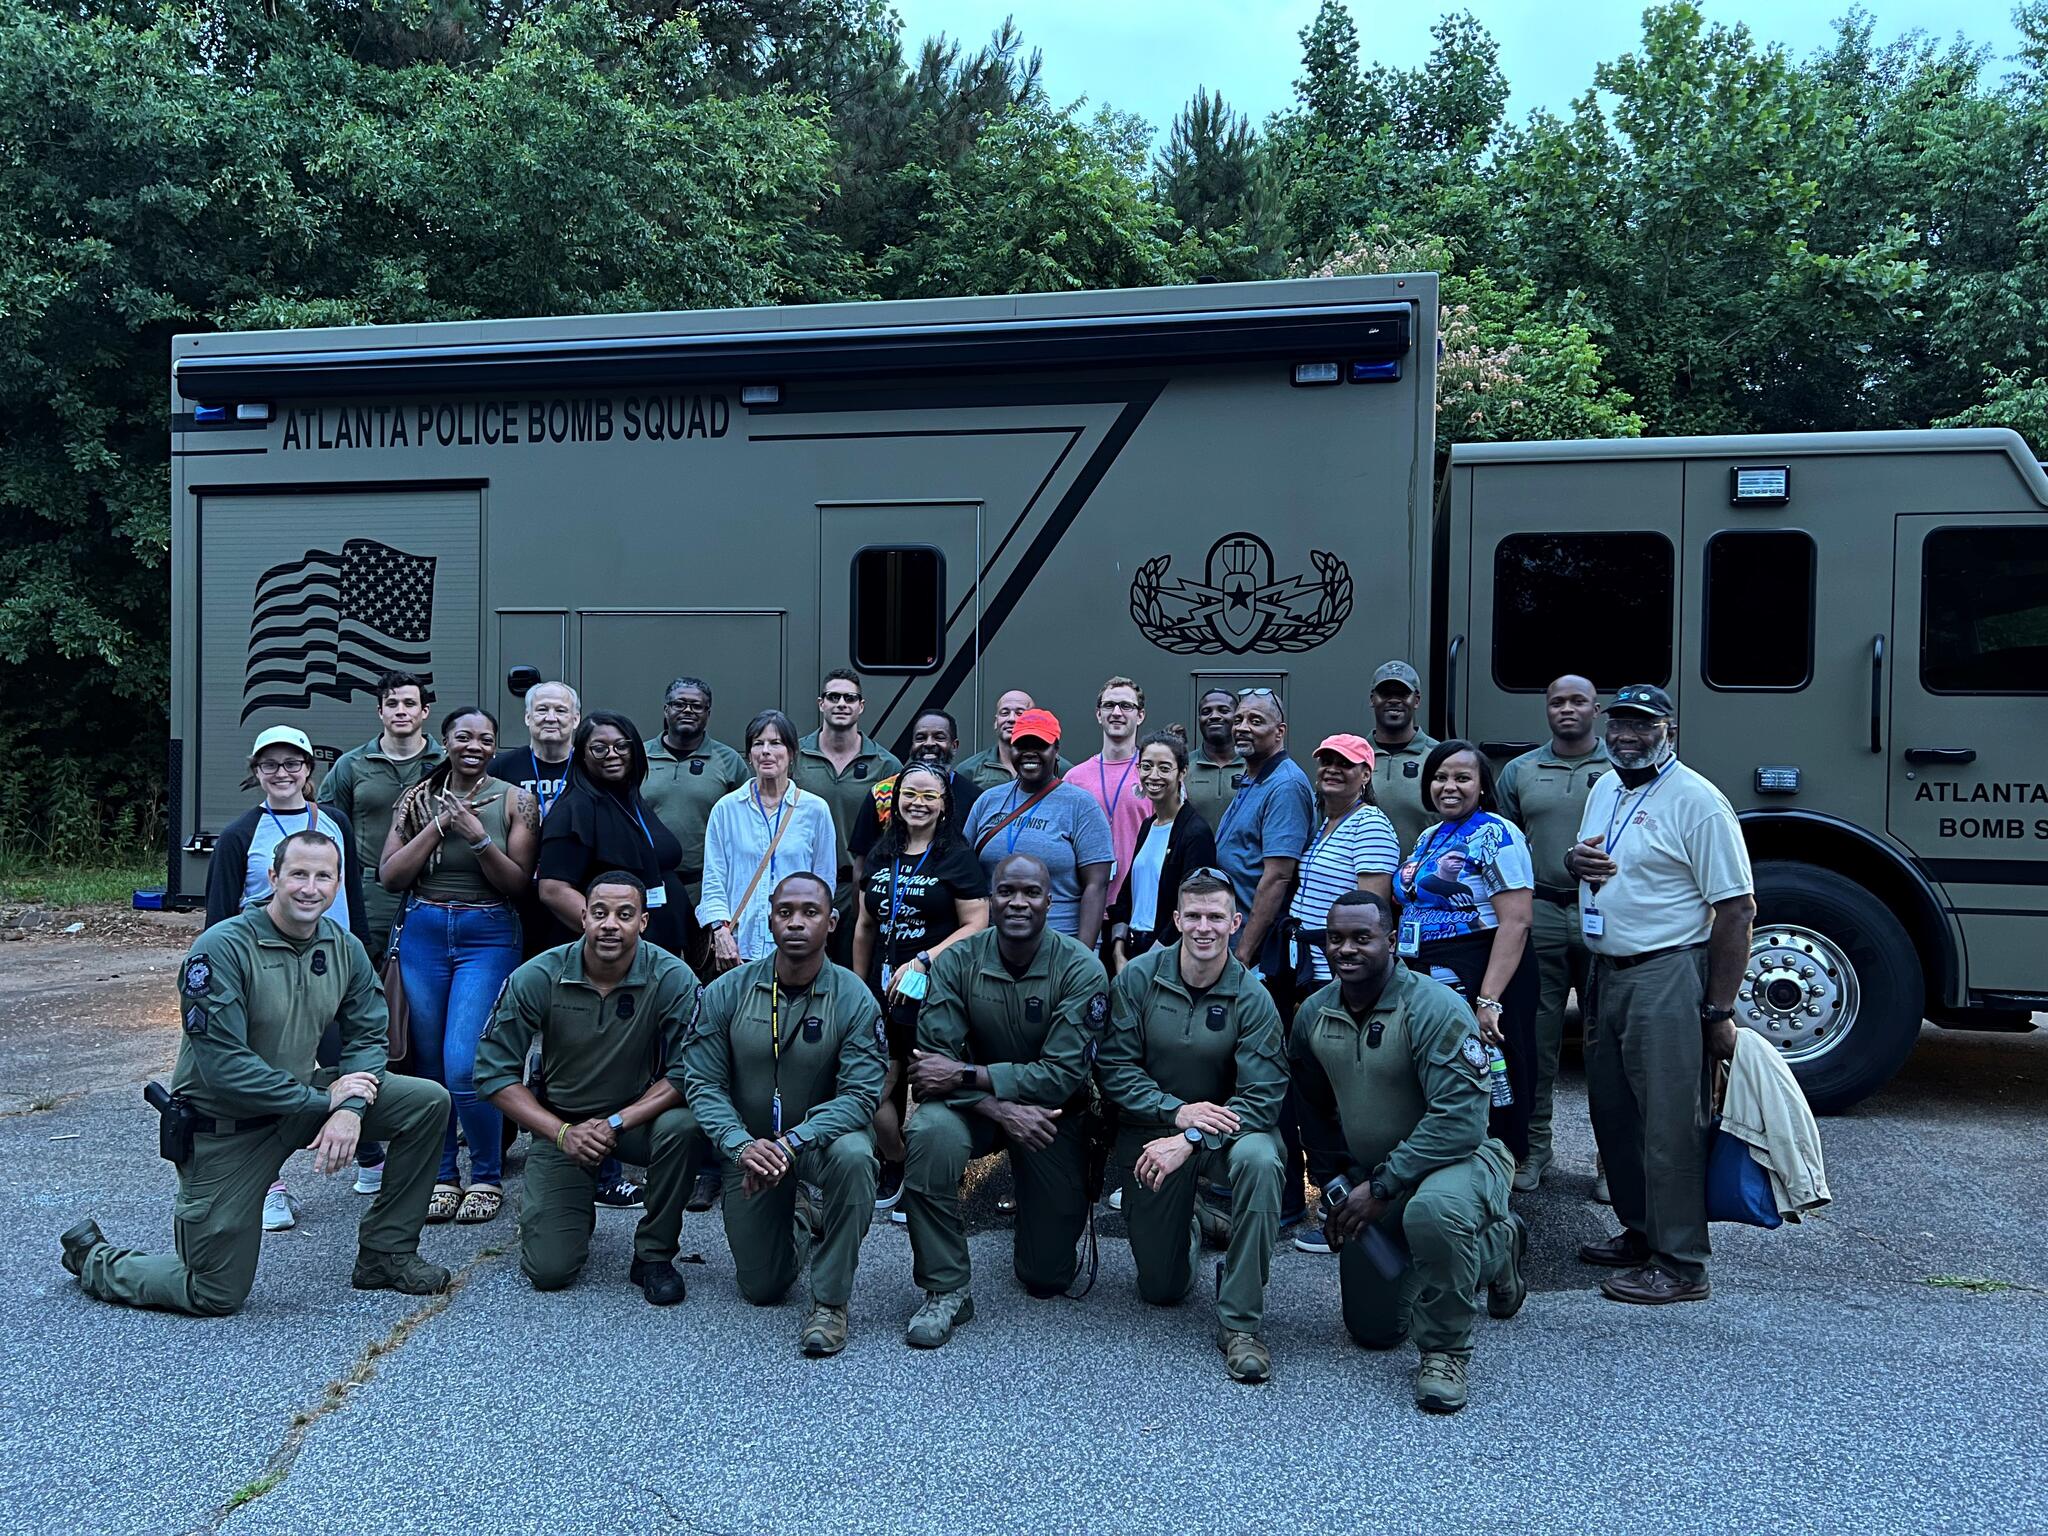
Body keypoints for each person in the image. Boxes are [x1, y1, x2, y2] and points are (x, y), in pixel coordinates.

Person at [59, 831, 453, 1314]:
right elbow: (224, 1066)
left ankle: (386, 1255)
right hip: (227, 1125)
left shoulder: (342, 946)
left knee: (425, 1102)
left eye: (323, 876)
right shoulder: (221, 949)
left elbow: (369, 1036)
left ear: (337, 885)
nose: (310, 888)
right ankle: (95, 1259)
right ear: (273, 878)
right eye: (298, 874)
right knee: (212, 1292)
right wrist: (324, 1102)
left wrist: (349, 1108)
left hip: (299, 1102)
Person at [1291, 891, 1527, 1415]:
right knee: (1373, 1331)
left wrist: (1381, 1187)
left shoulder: (1434, 1008)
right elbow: (1313, 1112)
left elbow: (1460, 1122)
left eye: (1362, 937)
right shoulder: (1313, 1015)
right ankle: (1478, 1254)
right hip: (1379, 1175)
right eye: (1335, 938)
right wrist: (1334, 1188)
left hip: (1461, 1161)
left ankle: (1446, 1351)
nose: (1346, 949)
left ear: (1392, 942)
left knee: (1434, 1213)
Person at [1563, 684, 1755, 1307]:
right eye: (1619, 722)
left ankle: (1681, 1262)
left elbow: (1736, 909)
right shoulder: (1606, 786)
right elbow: (1600, 858)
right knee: (1615, 1114)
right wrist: (1575, 863)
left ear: (1668, 728)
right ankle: (1641, 1231)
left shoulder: (1698, 801)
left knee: (1670, 1121)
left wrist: (1718, 1010)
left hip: (1667, 972)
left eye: (1642, 725)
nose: (1627, 734)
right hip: (1607, 971)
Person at [899, 853, 1109, 1346]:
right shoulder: (956, 962)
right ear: (990, 899)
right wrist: (1000, 1109)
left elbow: (1059, 1077)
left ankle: (1043, 1223)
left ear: (1049, 901)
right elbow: (930, 1071)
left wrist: (967, 1074)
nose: (1018, 902)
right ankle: (945, 1289)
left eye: (1031, 893)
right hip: (974, 1111)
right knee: (928, 1133)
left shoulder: (1081, 969)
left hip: (1051, 1119)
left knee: (1046, 1277)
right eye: (1007, 891)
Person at [680, 872, 886, 1357]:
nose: (796, 922)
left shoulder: (855, 998)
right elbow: (702, 1083)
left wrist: (792, 1143)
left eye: (810, 912)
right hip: (750, 1151)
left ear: (832, 922)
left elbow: (860, 1097)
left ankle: (830, 1302)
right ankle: (799, 1213)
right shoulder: (725, 991)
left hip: (816, 1146)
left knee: (857, 1155)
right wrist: (740, 1145)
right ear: (768, 919)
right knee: (762, 1288)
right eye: (785, 912)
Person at [476, 871, 706, 1305]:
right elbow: (493, 1074)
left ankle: (654, 1255)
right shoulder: (538, 976)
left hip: (636, 1119)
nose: (610, 925)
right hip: (561, 1123)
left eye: (624, 914)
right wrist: (562, 1133)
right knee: (548, 1271)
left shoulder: (672, 977)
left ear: (643, 922)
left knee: (684, 1125)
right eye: (599, 913)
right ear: (582, 917)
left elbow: (687, 1070)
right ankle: (570, 1204)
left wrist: (617, 1121)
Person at [1098, 871, 1286, 1385]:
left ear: (1235, 922)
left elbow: (1263, 1095)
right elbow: (1114, 1068)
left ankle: (1240, 1322)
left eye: (1216, 917)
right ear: (1178, 920)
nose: (1205, 928)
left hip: (1230, 1133)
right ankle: (1194, 1220)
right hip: (1155, 1129)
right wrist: (1175, 1112)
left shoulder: (1252, 997)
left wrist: (1194, 1135)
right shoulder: (1138, 978)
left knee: (1263, 1161)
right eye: (1195, 917)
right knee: (1161, 1289)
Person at [205, 725, 378, 1224]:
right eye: (270, 765)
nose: (282, 773)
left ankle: (367, 1156)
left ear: (308, 771)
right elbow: (221, 915)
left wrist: (364, 953)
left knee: (346, 1054)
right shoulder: (241, 833)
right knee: (273, 1066)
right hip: (268, 967)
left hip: (333, 962)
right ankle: (270, 1182)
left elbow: (354, 895)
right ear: (256, 772)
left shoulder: (335, 822)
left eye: (292, 764)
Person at [489, 681, 644, 1211]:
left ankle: (590, 1155)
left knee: (596, 1051)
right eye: (541, 709)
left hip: (615, 941)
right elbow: (550, 883)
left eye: (561, 709)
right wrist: (604, 927)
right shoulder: (546, 789)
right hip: (569, 937)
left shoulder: (619, 792)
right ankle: (543, 1147)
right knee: (563, 1050)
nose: (610, 754)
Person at [380, 707, 538, 1225]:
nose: (474, 745)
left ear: (495, 747)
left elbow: (517, 884)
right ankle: (444, 1173)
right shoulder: (416, 799)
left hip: (487, 932)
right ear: (444, 741)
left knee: (464, 1064)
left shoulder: (517, 800)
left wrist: (476, 834)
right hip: (425, 930)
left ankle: (487, 1173)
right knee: (428, 1067)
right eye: (463, 736)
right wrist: (438, 827)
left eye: (486, 739)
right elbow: (391, 876)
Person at [850, 762, 989, 1212]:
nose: (918, 803)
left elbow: (977, 922)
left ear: (944, 804)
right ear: (896, 799)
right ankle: (897, 1161)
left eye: (929, 796)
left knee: (931, 1083)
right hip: (882, 990)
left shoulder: (956, 855)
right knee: (876, 1087)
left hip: (936, 992)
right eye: (910, 793)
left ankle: (935, 1174)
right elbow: (865, 925)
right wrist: (857, 987)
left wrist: (927, 958)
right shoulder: (880, 853)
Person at [1392, 739, 1538, 1164]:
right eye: (1439, 777)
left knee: (1486, 1073)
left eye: (1461, 777)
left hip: (1477, 969)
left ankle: (1492, 1171)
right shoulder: (1429, 835)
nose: (1448, 786)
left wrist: (1488, 1000)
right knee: (1439, 1072)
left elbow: (1516, 921)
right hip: (1424, 970)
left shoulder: (1495, 832)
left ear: (1482, 785)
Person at [1495, 674, 1611, 1191]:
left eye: (1578, 701)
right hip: (1540, 909)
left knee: (1606, 1043)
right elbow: (1500, 841)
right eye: (1557, 701)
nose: (1567, 709)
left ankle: (1611, 1162)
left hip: (1603, 912)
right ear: (1546, 708)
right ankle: (1534, 1151)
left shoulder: (1618, 768)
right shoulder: (1520, 771)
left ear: (1596, 708)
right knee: (1536, 1043)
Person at [1213, 688, 1315, 1224]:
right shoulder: (1252, 779)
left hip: (1261, 956)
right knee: (1243, 1072)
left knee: (1268, 1075)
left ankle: (1289, 1199)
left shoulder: (1286, 784)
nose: (1242, 726)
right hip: (1237, 947)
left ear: (1281, 730)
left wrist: (1243, 955)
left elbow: (1276, 876)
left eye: (1257, 719)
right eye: (1238, 718)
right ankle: (1248, 1181)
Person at [537, 712, 693, 957]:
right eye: (599, 748)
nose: (612, 754)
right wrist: (613, 936)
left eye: (622, 746)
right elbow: (553, 890)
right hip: (613, 957)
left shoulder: (629, 799)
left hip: (658, 949)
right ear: (582, 755)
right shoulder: (575, 809)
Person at [959, 710, 1113, 949]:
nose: (1029, 752)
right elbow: (963, 871)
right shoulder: (988, 801)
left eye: (1040, 745)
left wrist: (1083, 954)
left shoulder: (1081, 805)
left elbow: (1097, 884)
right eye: (1021, 745)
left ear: (1056, 750)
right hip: (992, 945)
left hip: (1059, 944)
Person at [320, 670, 444, 964]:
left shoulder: (445, 764)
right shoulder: (351, 765)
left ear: (424, 711)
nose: (400, 711)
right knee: (367, 973)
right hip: (369, 894)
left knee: (422, 978)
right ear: (380, 712)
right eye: (392, 704)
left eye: (409, 704)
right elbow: (327, 829)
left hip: (434, 890)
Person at [700, 709, 838, 970]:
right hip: (739, 944)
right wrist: (720, 932)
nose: (766, 751)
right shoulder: (726, 808)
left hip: (796, 943)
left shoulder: (815, 810)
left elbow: (824, 882)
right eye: (757, 743)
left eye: (776, 743)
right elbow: (713, 879)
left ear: (792, 752)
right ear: (749, 755)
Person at [792, 669, 901, 965]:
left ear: (861, 706)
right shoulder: (796, 756)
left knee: (855, 971)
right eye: (833, 697)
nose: (841, 703)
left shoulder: (885, 764)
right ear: (820, 703)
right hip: (803, 883)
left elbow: (895, 833)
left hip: (859, 886)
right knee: (802, 968)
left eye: (849, 698)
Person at [640, 675, 749, 943]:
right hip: (652, 884)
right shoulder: (639, 757)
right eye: (679, 704)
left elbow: (746, 820)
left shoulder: (728, 761)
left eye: (697, 706)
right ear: (666, 710)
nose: (687, 710)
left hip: (707, 887)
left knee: (707, 966)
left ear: (707, 713)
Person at [1286, 733, 1400, 988]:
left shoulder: (1370, 824)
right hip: (1308, 963)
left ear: (1366, 775)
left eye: (1345, 764)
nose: (1332, 770)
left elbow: (1371, 911)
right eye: (1326, 762)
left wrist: (1345, 977)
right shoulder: (1328, 821)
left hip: (1336, 971)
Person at [486, 678, 581, 961]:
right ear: (528, 717)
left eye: (561, 710)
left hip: (569, 895)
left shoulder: (589, 769)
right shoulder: (500, 767)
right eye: (542, 710)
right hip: (512, 900)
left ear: (575, 719)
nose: (551, 718)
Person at [1106, 730, 1217, 969]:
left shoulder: (1195, 833)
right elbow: (1126, 896)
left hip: (1167, 958)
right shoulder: (1148, 825)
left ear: (1183, 772)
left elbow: (1192, 906)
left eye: (1164, 768)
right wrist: (1118, 951)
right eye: (1146, 766)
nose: (1153, 775)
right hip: (1131, 951)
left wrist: (1154, 958)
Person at [846, 709, 983, 865]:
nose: (929, 743)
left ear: (954, 745)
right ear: (911, 745)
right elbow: (862, 861)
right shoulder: (881, 793)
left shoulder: (975, 798)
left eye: (939, 737)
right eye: (920, 737)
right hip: (891, 885)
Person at [1070, 676, 1152, 912]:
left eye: (1126, 706)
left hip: (1140, 906)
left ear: (1140, 715)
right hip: (1085, 906)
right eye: (1109, 705)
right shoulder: (1075, 778)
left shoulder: (1156, 775)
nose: (1117, 712)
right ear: (1098, 715)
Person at [1367, 661, 1439, 856]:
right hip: (1362, 880)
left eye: (1402, 694)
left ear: (1416, 700)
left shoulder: (1440, 757)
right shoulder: (1355, 757)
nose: (1394, 700)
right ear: (1372, 699)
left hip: (1422, 881)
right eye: (1386, 693)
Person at [957, 689, 1072, 792]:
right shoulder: (969, 769)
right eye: (1005, 713)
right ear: (996, 721)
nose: (1011, 719)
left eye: (1019, 713)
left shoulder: (1064, 770)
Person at [1185, 687, 1247, 839]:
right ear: (1199, 719)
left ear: (1237, 718)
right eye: (1206, 712)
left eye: (1223, 710)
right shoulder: (1183, 767)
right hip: (1194, 860)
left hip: (1242, 862)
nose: (1214, 716)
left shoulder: (1255, 767)